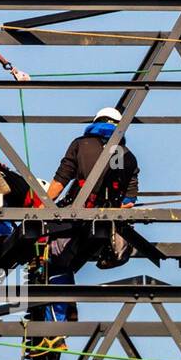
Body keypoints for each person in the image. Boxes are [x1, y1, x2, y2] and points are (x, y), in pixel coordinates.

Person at [37, 106, 140, 322]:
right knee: (68, 262)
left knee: (55, 261)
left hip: (75, 220)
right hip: (104, 229)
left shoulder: (81, 145)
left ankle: (59, 314)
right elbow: (128, 203)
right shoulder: (127, 156)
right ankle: (66, 305)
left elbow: (59, 183)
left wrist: (38, 210)